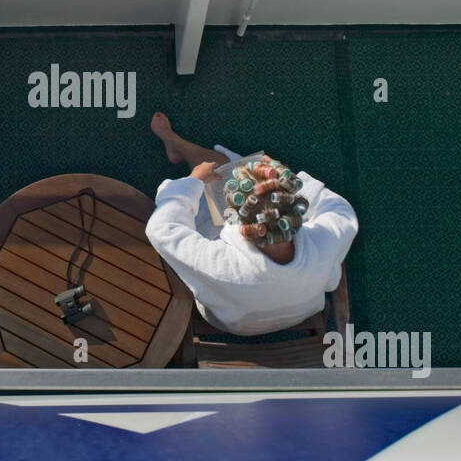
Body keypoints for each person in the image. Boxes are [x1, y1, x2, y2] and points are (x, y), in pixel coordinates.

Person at [145, 112, 358, 336]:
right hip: (299, 312)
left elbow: (161, 229)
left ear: (244, 227)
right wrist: (285, 178)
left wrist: (194, 181)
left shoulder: (221, 265)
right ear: (295, 212)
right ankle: (179, 147)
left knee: (219, 172)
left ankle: (177, 146)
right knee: (227, 170)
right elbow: (341, 210)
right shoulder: (326, 242)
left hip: (232, 324)